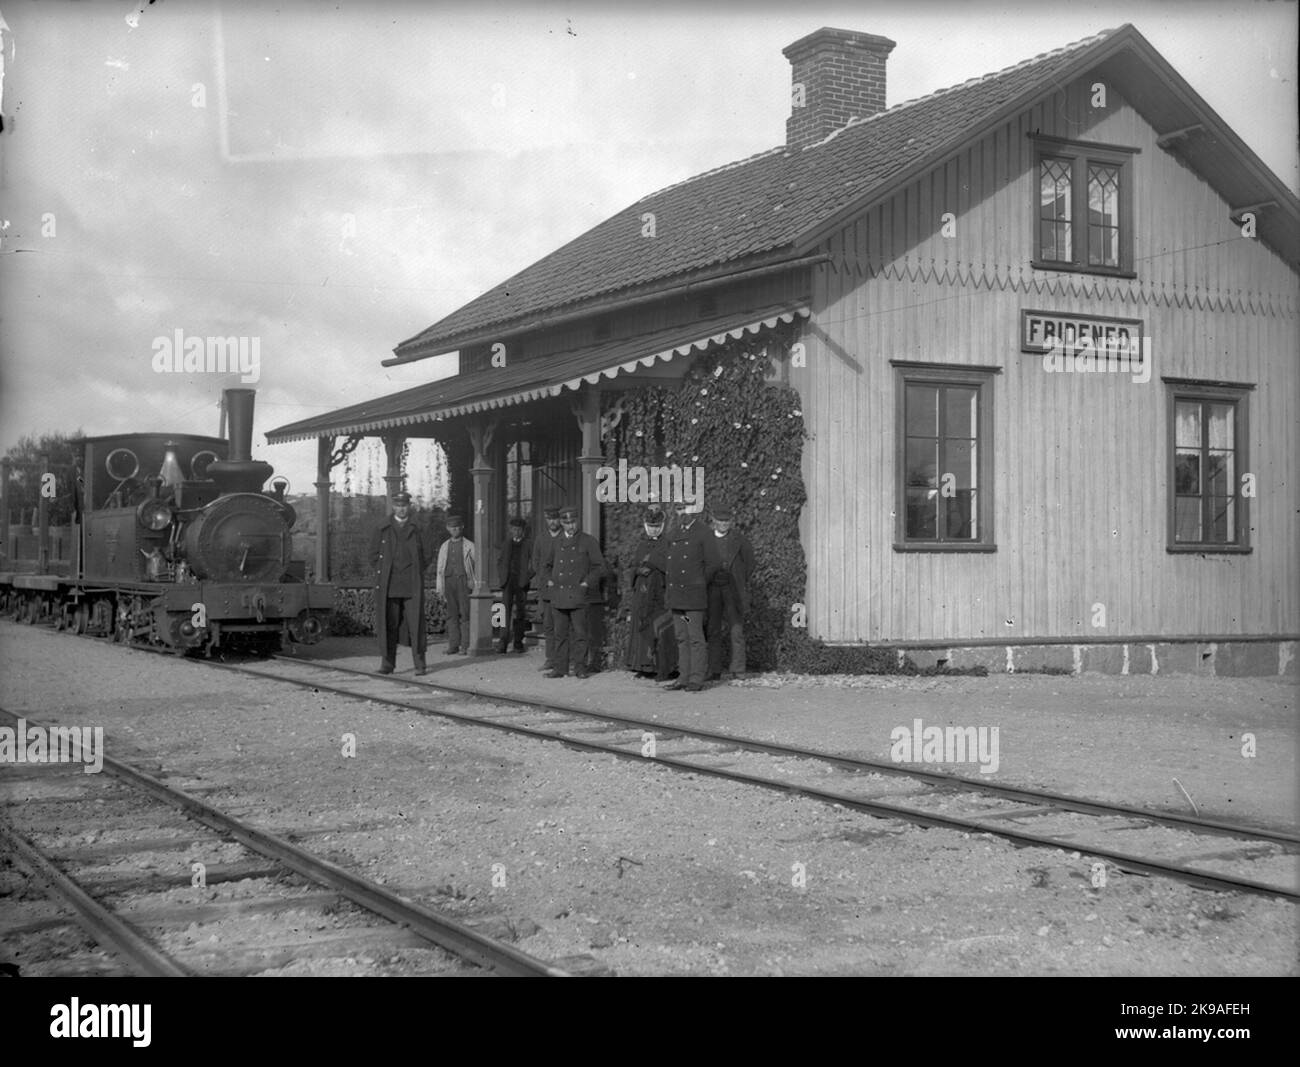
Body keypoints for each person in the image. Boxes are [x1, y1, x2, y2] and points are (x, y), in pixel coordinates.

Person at [368, 491, 435, 675]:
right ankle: (387, 664)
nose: (401, 509)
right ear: (393, 507)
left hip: (412, 585)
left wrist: (415, 571)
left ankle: (420, 665)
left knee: (416, 625)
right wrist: (385, 572)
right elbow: (373, 556)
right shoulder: (382, 528)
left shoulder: (418, 528)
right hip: (389, 585)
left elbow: (428, 554)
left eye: (404, 505)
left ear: (409, 507)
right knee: (389, 625)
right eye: (398, 505)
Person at [539, 504, 605, 680]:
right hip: (559, 595)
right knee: (560, 634)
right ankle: (560, 668)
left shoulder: (588, 541)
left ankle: (580, 668)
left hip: (578, 595)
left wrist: (586, 583)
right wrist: (550, 581)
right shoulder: (557, 542)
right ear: (561, 523)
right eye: (567, 523)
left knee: (580, 634)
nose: (571, 526)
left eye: (573, 522)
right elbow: (545, 566)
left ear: (578, 522)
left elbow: (600, 567)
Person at [663, 500, 720, 692]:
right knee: (682, 636)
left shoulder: (704, 533)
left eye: (686, 508)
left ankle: (696, 679)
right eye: (679, 509)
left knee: (695, 636)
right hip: (677, 597)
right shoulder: (673, 533)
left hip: (693, 598)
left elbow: (713, 564)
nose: (682, 512)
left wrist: (698, 582)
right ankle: (683, 677)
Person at [624, 504, 674, 679]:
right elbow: (631, 566)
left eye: (656, 527)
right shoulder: (641, 544)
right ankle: (641, 665)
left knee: (657, 627)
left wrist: (653, 564)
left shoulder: (668, 543)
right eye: (650, 527)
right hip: (641, 593)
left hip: (658, 593)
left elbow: (670, 567)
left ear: (662, 526)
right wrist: (637, 571)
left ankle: (658, 667)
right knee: (640, 627)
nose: (653, 530)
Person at [706, 504, 755, 680]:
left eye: (727, 521)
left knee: (737, 630)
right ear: (713, 521)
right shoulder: (706, 540)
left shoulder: (740, 540)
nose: (724, 524)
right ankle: (714, 669)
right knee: (713, 630)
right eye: (720, 521)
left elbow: (750, 565)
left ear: (731, 522)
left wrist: (739, 580)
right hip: (712, 589)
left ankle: (738, 669)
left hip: (733, 590)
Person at [435, 513, 477, 655]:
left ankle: (465, 645)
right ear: (448, 529)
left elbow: (478, 566)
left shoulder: (469, 546)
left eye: (457, 527)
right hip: (448, 581)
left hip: (463, 581)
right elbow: (439, 568)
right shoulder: (444, 547)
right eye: (452, 528)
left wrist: (473, 580)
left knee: (465, 613)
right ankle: (453, 645)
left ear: (462, 527)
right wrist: (440, 587)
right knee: (451, 614)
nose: (455, 530)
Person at [530, 506, 562, 671]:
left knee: (562, 625)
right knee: (548, 625)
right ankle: (551, 659)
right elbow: (535, 562)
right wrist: (544, 578)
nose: (552, 522)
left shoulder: (566, 537)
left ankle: (564, 659)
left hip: (564, 589)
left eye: (555, 519)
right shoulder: (541, 539)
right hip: (546, 590)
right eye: (549, 519)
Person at [495, 516, 533, 654]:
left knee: (520, 613)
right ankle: (502, 642)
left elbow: (534, 563)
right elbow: (500, 561)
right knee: (503, 612)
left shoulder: (528, 544)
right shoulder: (506, 544)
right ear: (510, 530)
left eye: (519, 530)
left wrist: (527, 577)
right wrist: (502, 577)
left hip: (521, 582)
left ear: (523, 531)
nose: (516, 532)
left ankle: (518, 642)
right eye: (514, 529)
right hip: (508, 581)